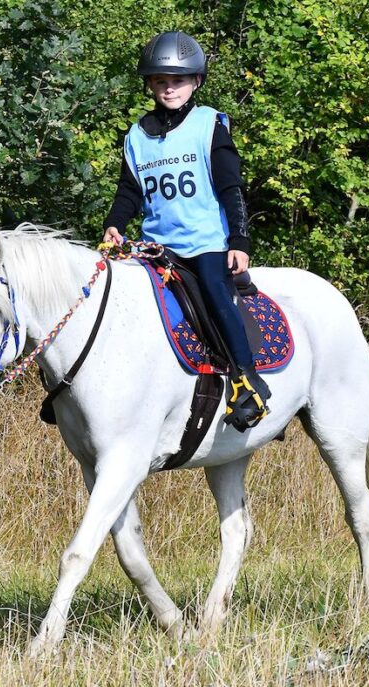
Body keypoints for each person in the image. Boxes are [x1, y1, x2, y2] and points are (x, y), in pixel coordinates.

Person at [101, 31, 271, 431]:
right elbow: (129, 191)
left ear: (195, 82)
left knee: (214, 290)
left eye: (177, 80)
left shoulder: (208, 124)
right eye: (160, 81)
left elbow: (231, 186)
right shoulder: (136, 137)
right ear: (150, 85)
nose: (169, 88)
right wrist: (114, 223)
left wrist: (239, 241)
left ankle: (247, 380)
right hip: (155, 247)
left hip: (204, 243)